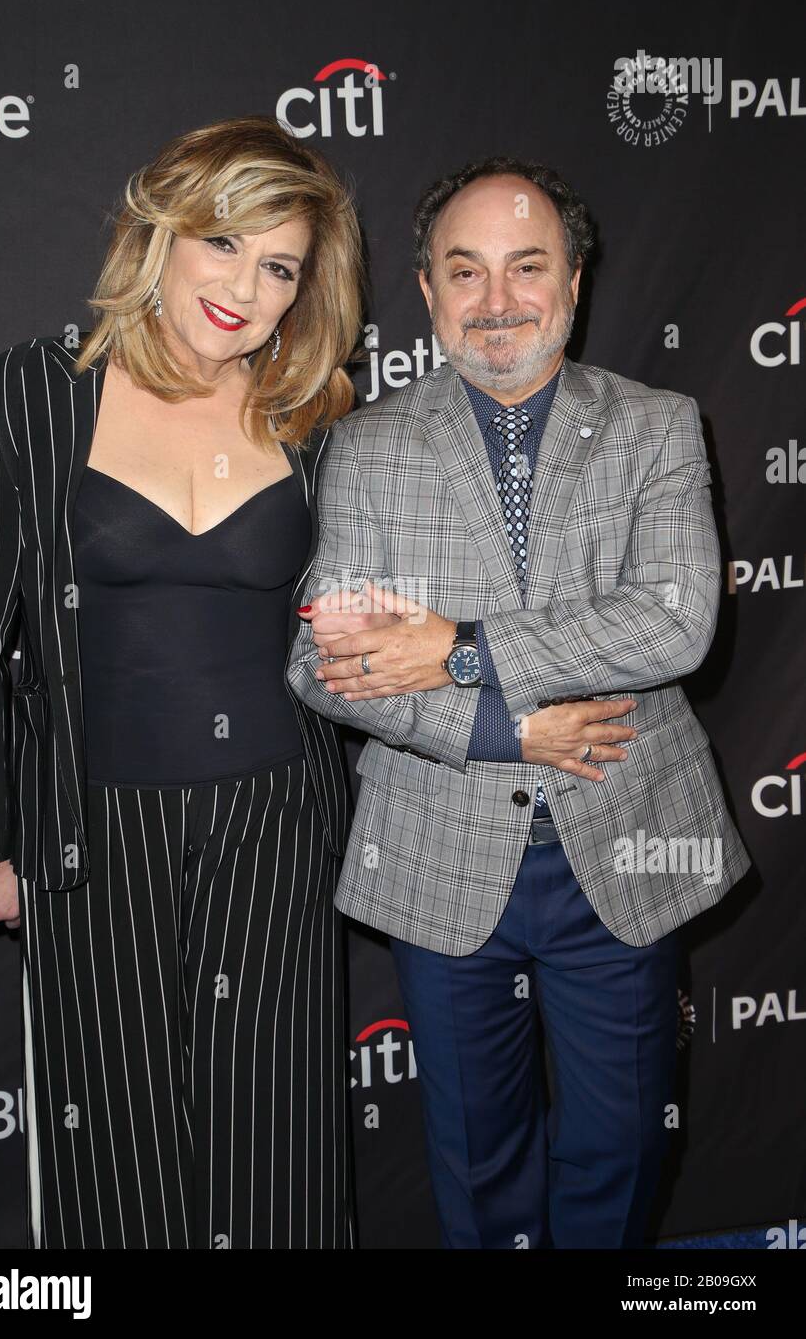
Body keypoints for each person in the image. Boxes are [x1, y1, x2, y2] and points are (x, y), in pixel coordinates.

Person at [287, 155, 751, 1249]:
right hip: (439, 844)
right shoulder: (364, 446)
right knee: (475, 1150)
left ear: (574, 282)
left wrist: (454, 647)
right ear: (427, 290)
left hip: (621, 833)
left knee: (624, 1143)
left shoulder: (657, 426)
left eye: (525, 266)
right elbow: (326, 664)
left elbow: (674, 622)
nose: (496, 300)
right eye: (464, 271)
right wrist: (504, 724)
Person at [0, 116, 365, 1249]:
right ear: (163, 232)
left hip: (275, 820)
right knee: (113, 1149)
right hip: (89, 829)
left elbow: (349, 626)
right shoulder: (42, 385)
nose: (245, 287)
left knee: (277, 1143)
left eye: (279, 266)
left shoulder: (313, 415)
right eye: (223, 244)